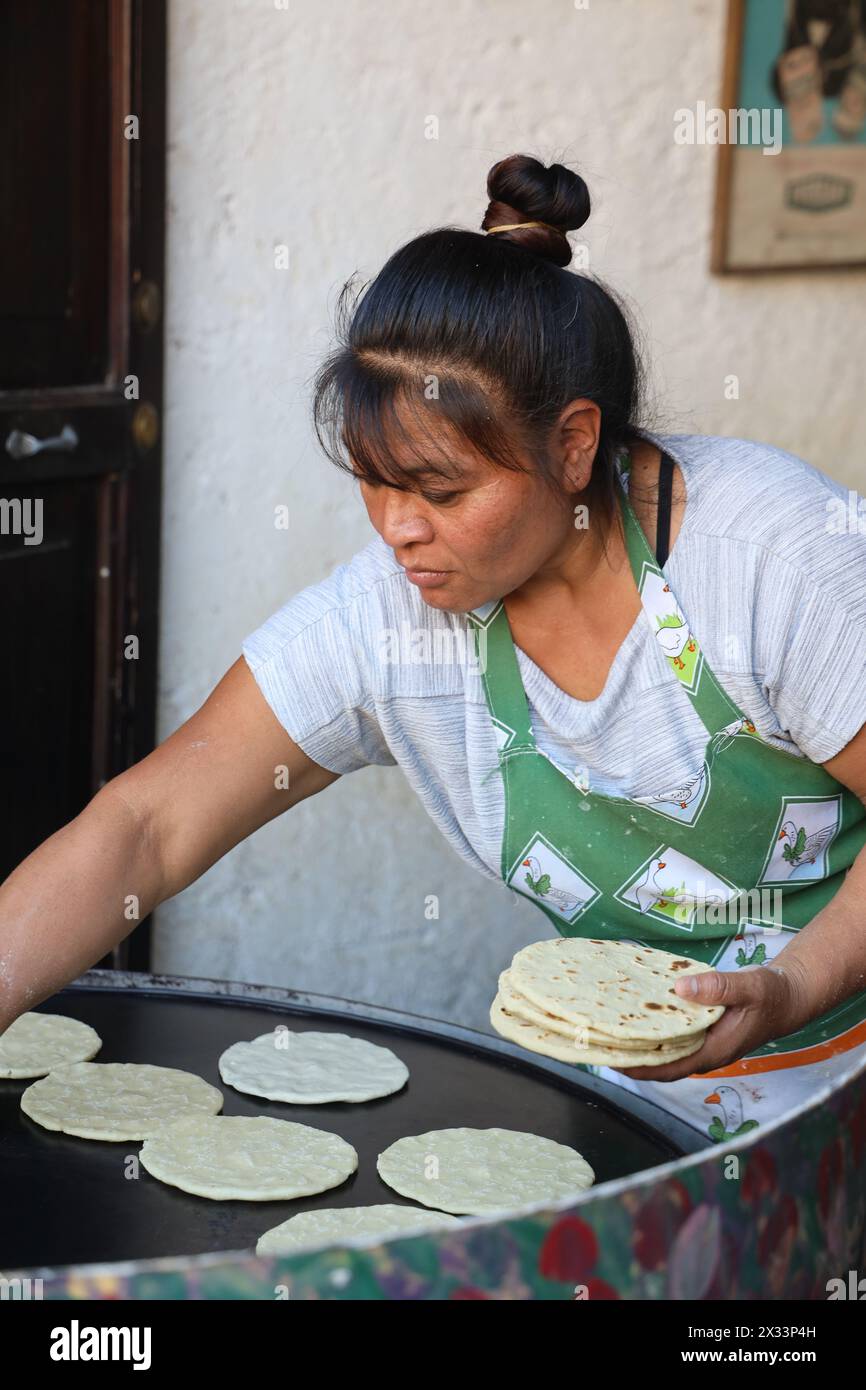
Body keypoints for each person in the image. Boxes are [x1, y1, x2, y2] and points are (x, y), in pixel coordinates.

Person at [2, 154, 865, 1143]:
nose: (396, 530)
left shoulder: (769, 559)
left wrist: (794, 984)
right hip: (640, 1091)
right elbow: (146, 825)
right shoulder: (387, 620)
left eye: (441, 492)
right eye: (373, 482)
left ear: (573, 444)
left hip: (845, 1065)